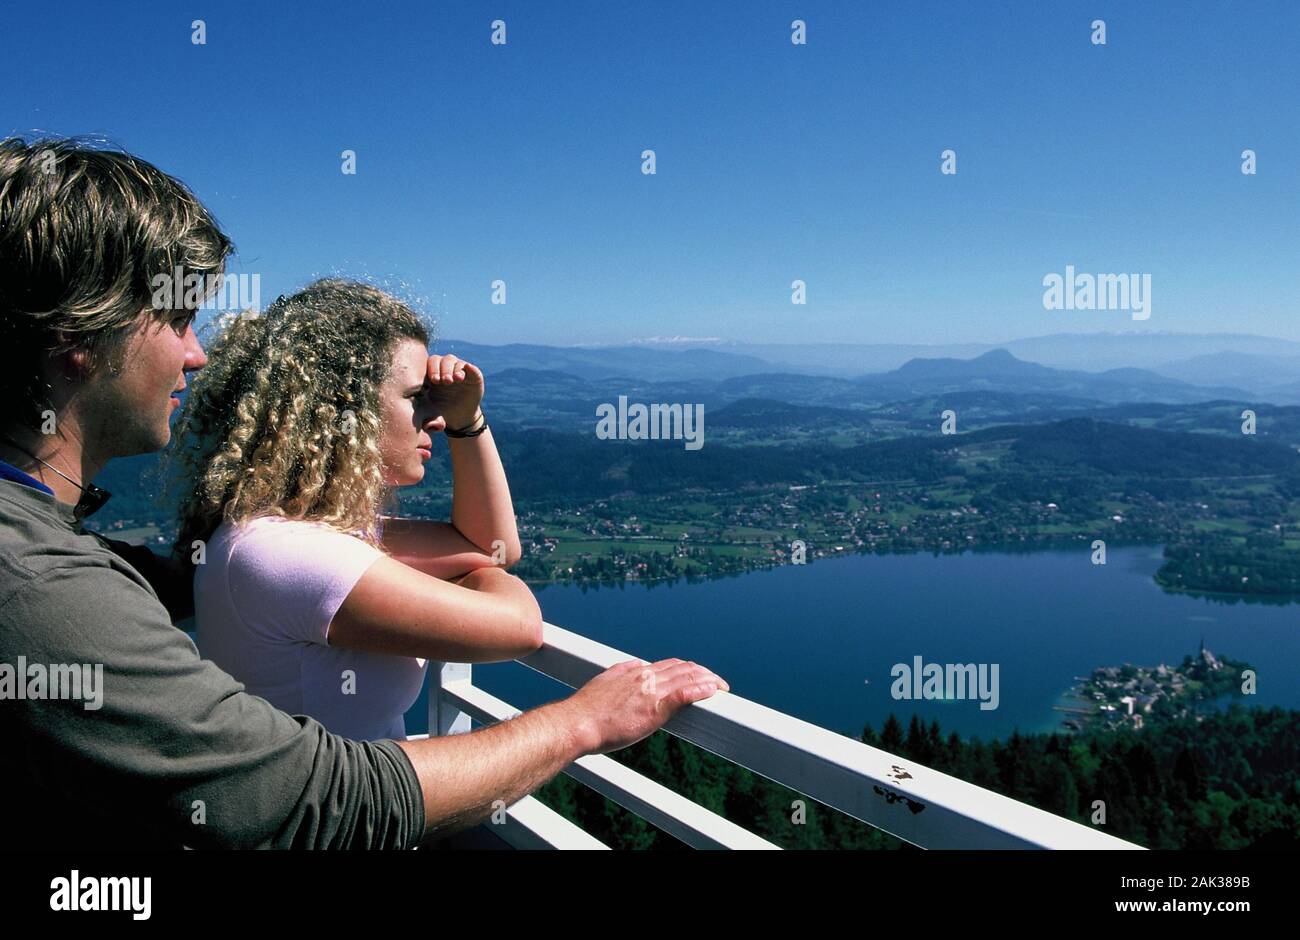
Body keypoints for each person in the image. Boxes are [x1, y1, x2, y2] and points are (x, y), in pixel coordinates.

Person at [0, 134, 729, 849]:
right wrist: (583, 722)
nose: (196, 353)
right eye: (180, 320)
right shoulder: (45, 583)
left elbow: (489, 547)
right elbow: (302, 796)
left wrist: (470, 427)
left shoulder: (260, 537)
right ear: (78, 334)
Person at [172, 278, 541, 742]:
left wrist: (469, 421)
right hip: (334, 812)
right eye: (414, 397)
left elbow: (494, 546)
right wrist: (477, 578)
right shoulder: (282, 552)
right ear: (341, 408)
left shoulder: (309, 531)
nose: (438, 419)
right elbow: (520, 627)